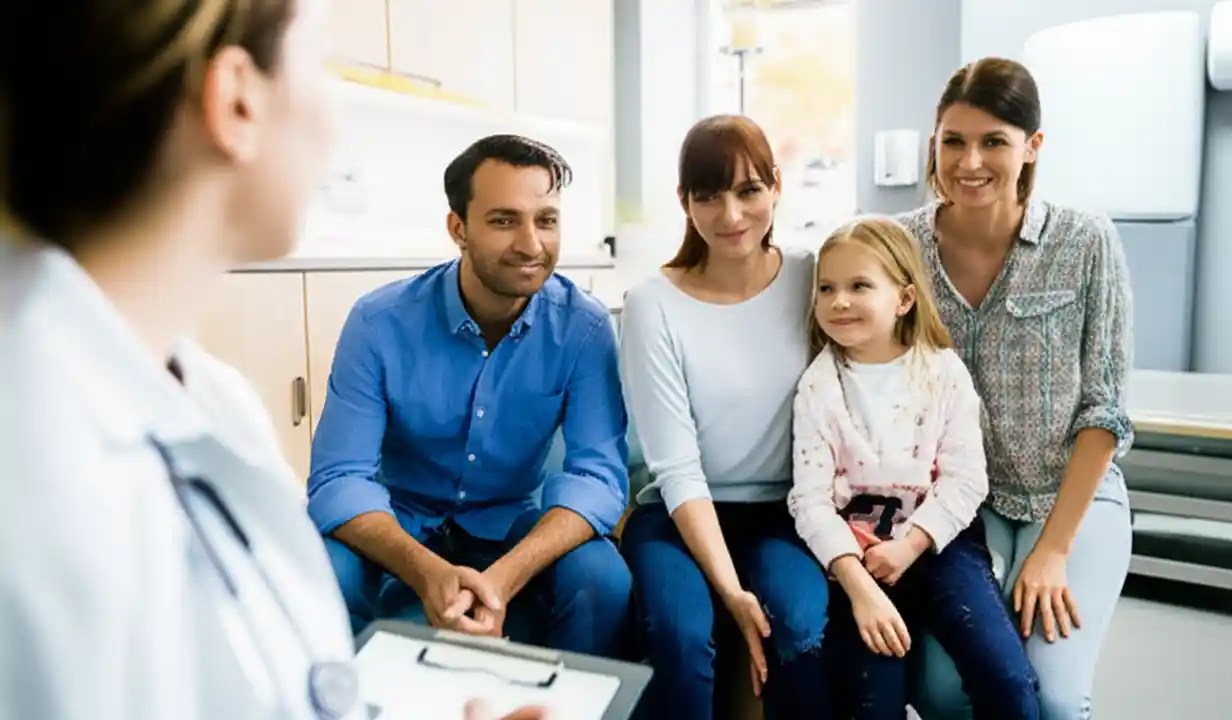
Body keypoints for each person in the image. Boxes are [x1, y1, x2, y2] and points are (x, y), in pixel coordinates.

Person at [0, 1, 544, 718]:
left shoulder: (210, 400)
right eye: (320, 58)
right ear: (237, 101)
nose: (337, 118)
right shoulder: (35, 477)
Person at [308, 133, 632, 659]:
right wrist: (426, 571)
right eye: (504, 220)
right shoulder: (378, 323)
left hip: (511, 524)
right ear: (458, 228)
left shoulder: (585, 328)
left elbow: (598, 478)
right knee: (319, 569)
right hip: (400, 519)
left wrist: (504, 578)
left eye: (546, 220)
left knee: (602, 577)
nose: (531, 243)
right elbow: (338, 479)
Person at [897, 57, 1135, 720]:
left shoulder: (1084, 242)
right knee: (943, 693)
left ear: (1031, 147)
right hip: (958, 506)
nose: (969, 161)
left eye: (994, 141)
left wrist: (1054, 550)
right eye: (953, 141)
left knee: (1055, 696)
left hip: (1070, 496)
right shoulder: (900, 246)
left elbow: (1106, 407)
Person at [618, 115, 830, 720]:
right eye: (708, 196)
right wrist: (731, 591)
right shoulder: (651, 305)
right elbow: (676, 466)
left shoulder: (812, 278)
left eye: (748, 191)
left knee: (798, 620)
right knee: (682, 635)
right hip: (677, 514)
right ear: (684, 202)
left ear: (776, 187)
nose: (731, 214)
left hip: (783, 514)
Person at [788, 217, 1040, 719]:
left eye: (859, 286)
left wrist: (910, 546)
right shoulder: (817, 386)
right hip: (857, 562)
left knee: (1007, 679)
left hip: (938, 546)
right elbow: (810, 501)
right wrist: (860, 587)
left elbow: (967, 480)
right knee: (871, 701)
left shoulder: (942, 372)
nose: (838, 301)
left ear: (903, 299)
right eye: (826, 288)